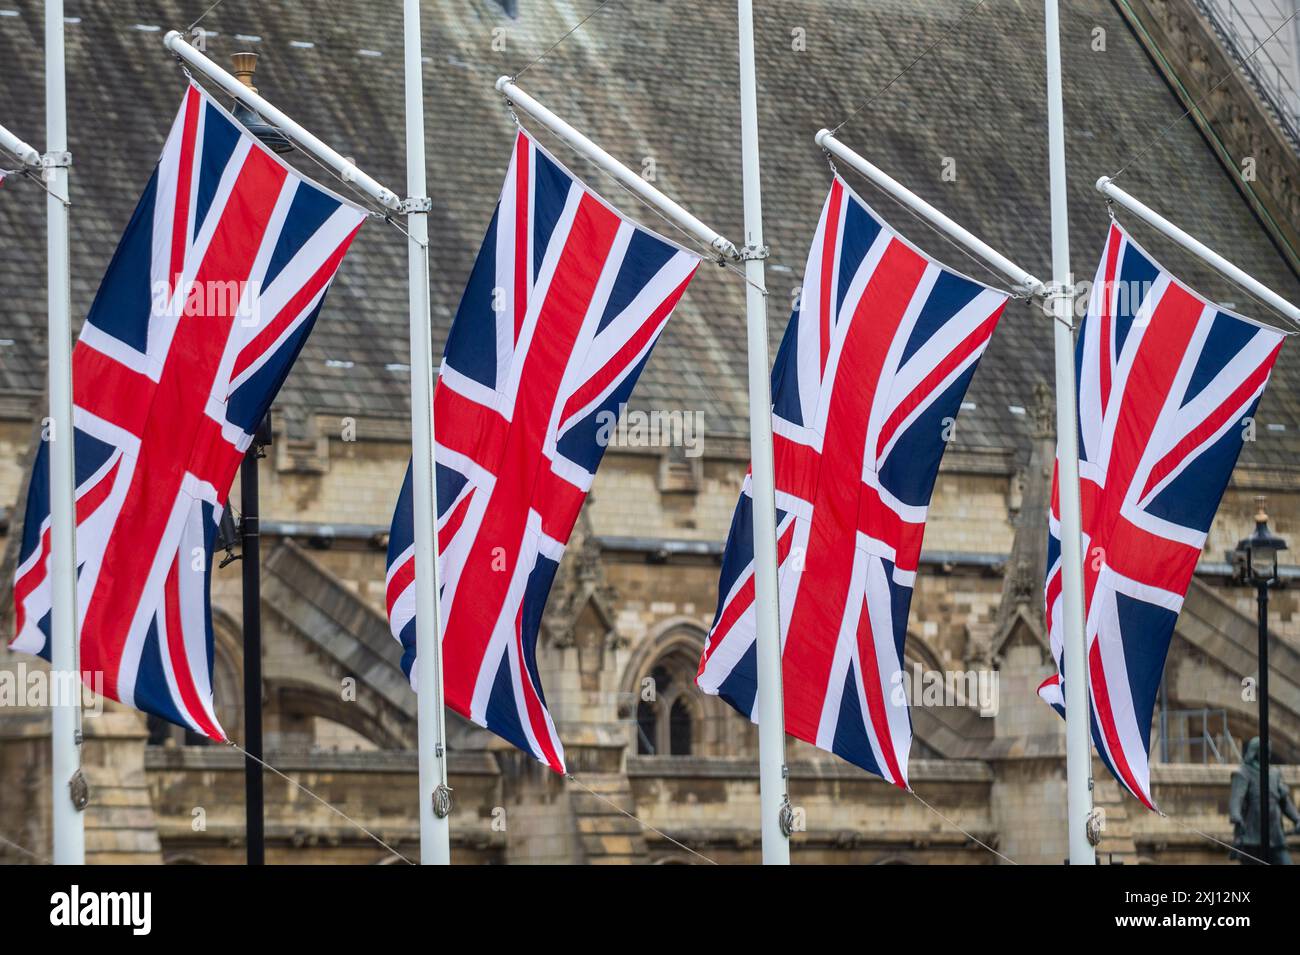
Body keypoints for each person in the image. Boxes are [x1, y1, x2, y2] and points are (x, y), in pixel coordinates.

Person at [1229, 737, 1300, 864]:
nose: (1268, 755)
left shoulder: (1274, 773)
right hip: (1252, 837)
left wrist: (1297, 819)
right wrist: (1236, 818)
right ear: (1255, 752)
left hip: (1275, 835)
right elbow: (1236, 800)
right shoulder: (1244, 773)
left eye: (1269, 752)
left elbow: (1284, 802)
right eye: (1265, 752)